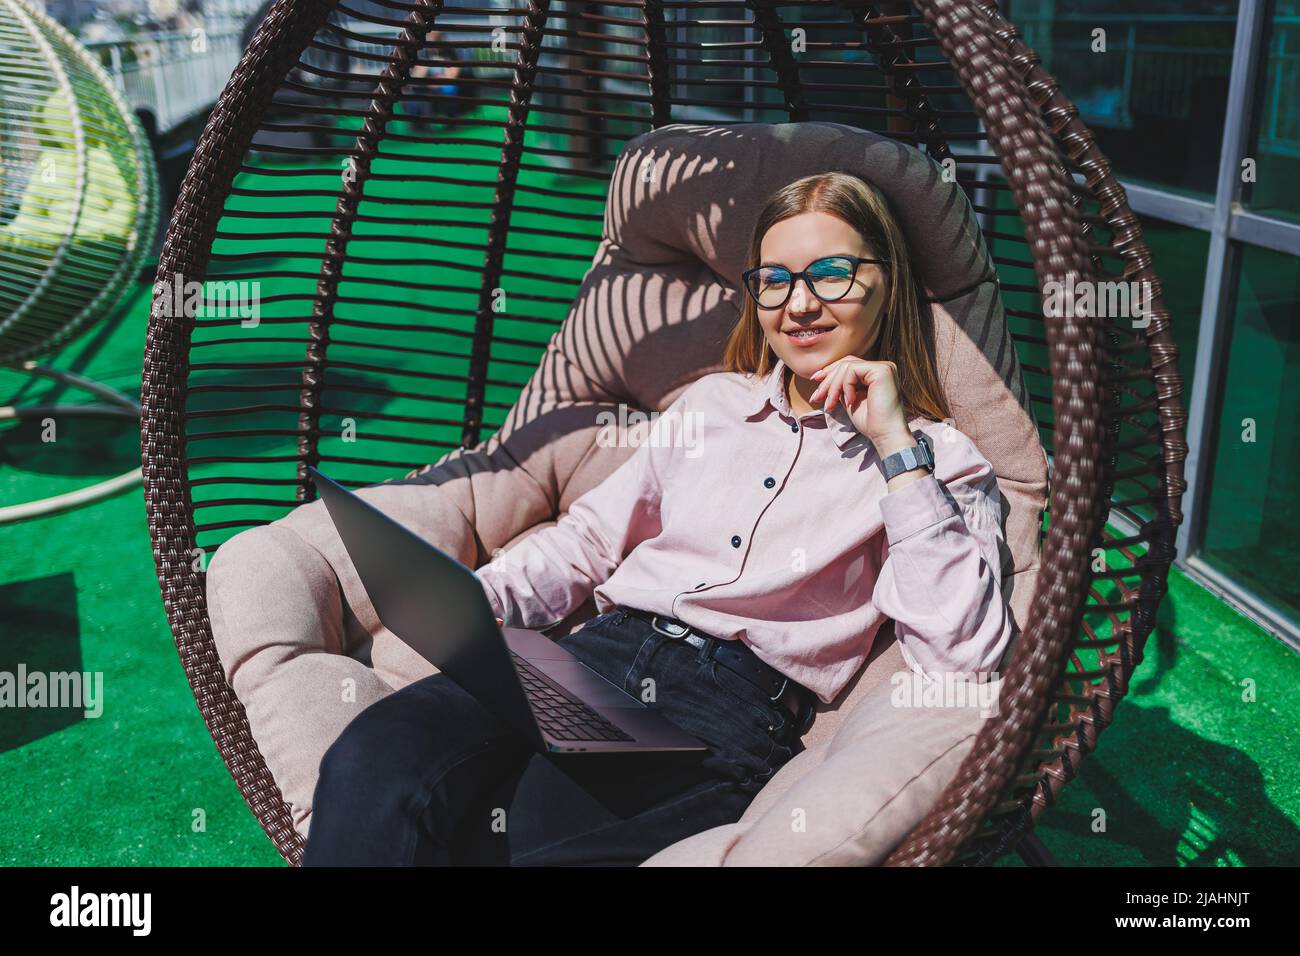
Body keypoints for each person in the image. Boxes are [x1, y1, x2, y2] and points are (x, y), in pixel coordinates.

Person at [302, 170, 1014, 866]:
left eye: (830, 273)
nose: (799, 305)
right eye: (775, 280)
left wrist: (895, 448)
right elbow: (585, 542)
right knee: (371, 758)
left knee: (520, 843)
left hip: (727, 711)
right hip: (591, 657)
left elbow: (963, 656)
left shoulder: (937, 463)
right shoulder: (710, 409)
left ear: (885, 280)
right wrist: (471, 606)